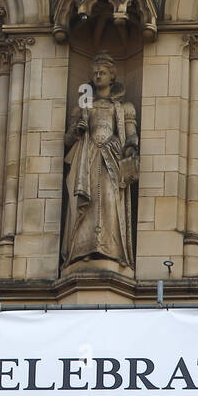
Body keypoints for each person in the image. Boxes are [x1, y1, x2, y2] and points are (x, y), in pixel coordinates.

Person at [62, 51, 139, 269]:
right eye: (95, 72)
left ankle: (110, 250)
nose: (98, 76)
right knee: (87, 204)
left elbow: (131, 134)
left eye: (102, 72)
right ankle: (82, 250)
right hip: (86, 161)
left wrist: (131, 146)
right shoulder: (83, 108)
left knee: (108, 201)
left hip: (110, 160)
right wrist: (77, 131)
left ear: (112, 77)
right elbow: (67, 140)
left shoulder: (123, 108)